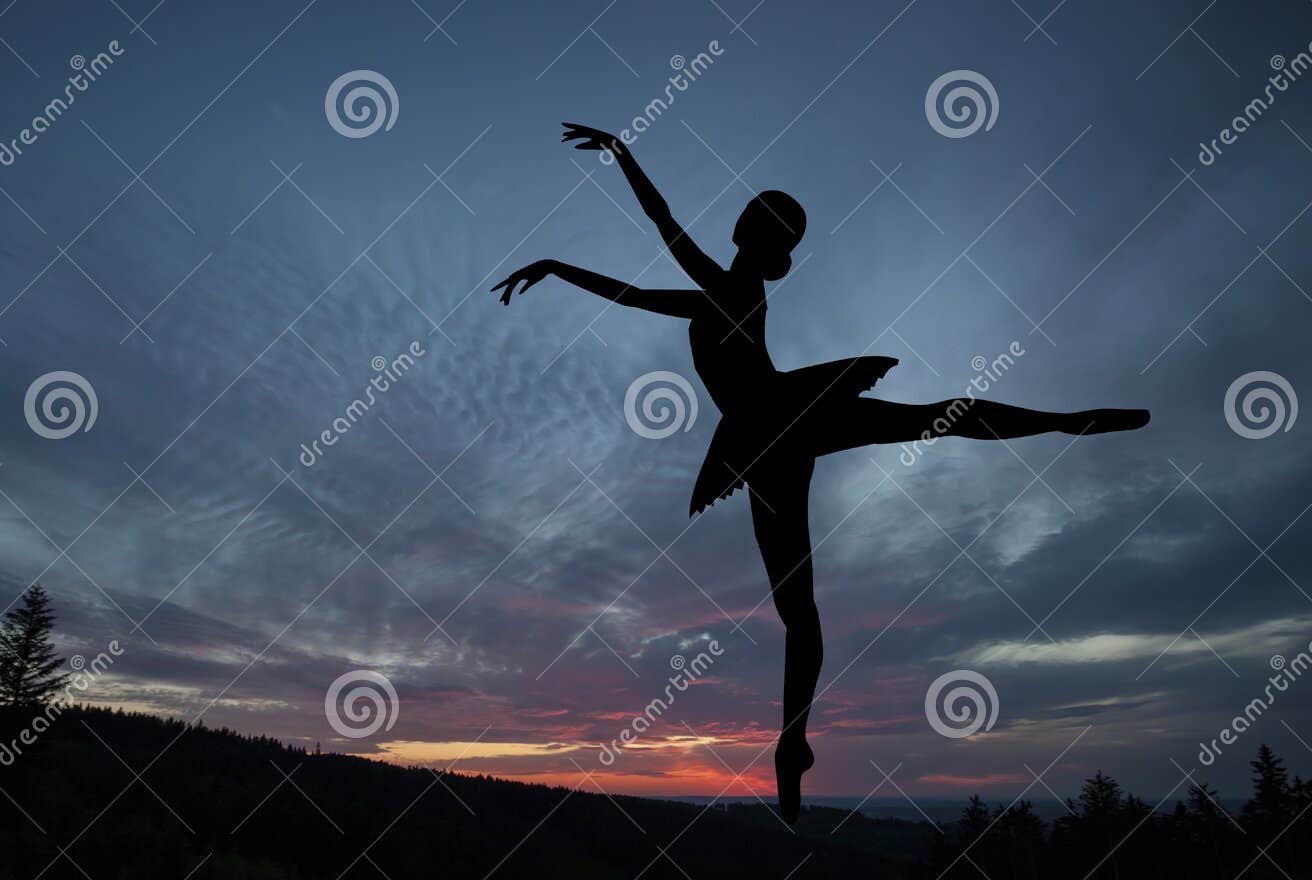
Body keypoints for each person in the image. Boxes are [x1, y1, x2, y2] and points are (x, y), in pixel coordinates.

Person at [492, 124, 1149, 824]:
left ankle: (1064, 421)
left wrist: (612, 176)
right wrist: (570, 249)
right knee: (805, 595)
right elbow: (639, 272)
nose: (748, 231)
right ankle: (792, 737)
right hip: (774, 435)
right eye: (763, 222)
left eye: (763, 227)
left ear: (759, 244)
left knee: (812, 589)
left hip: (777, 423)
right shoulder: (717, 291)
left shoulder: (729, 289)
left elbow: (661, 231)